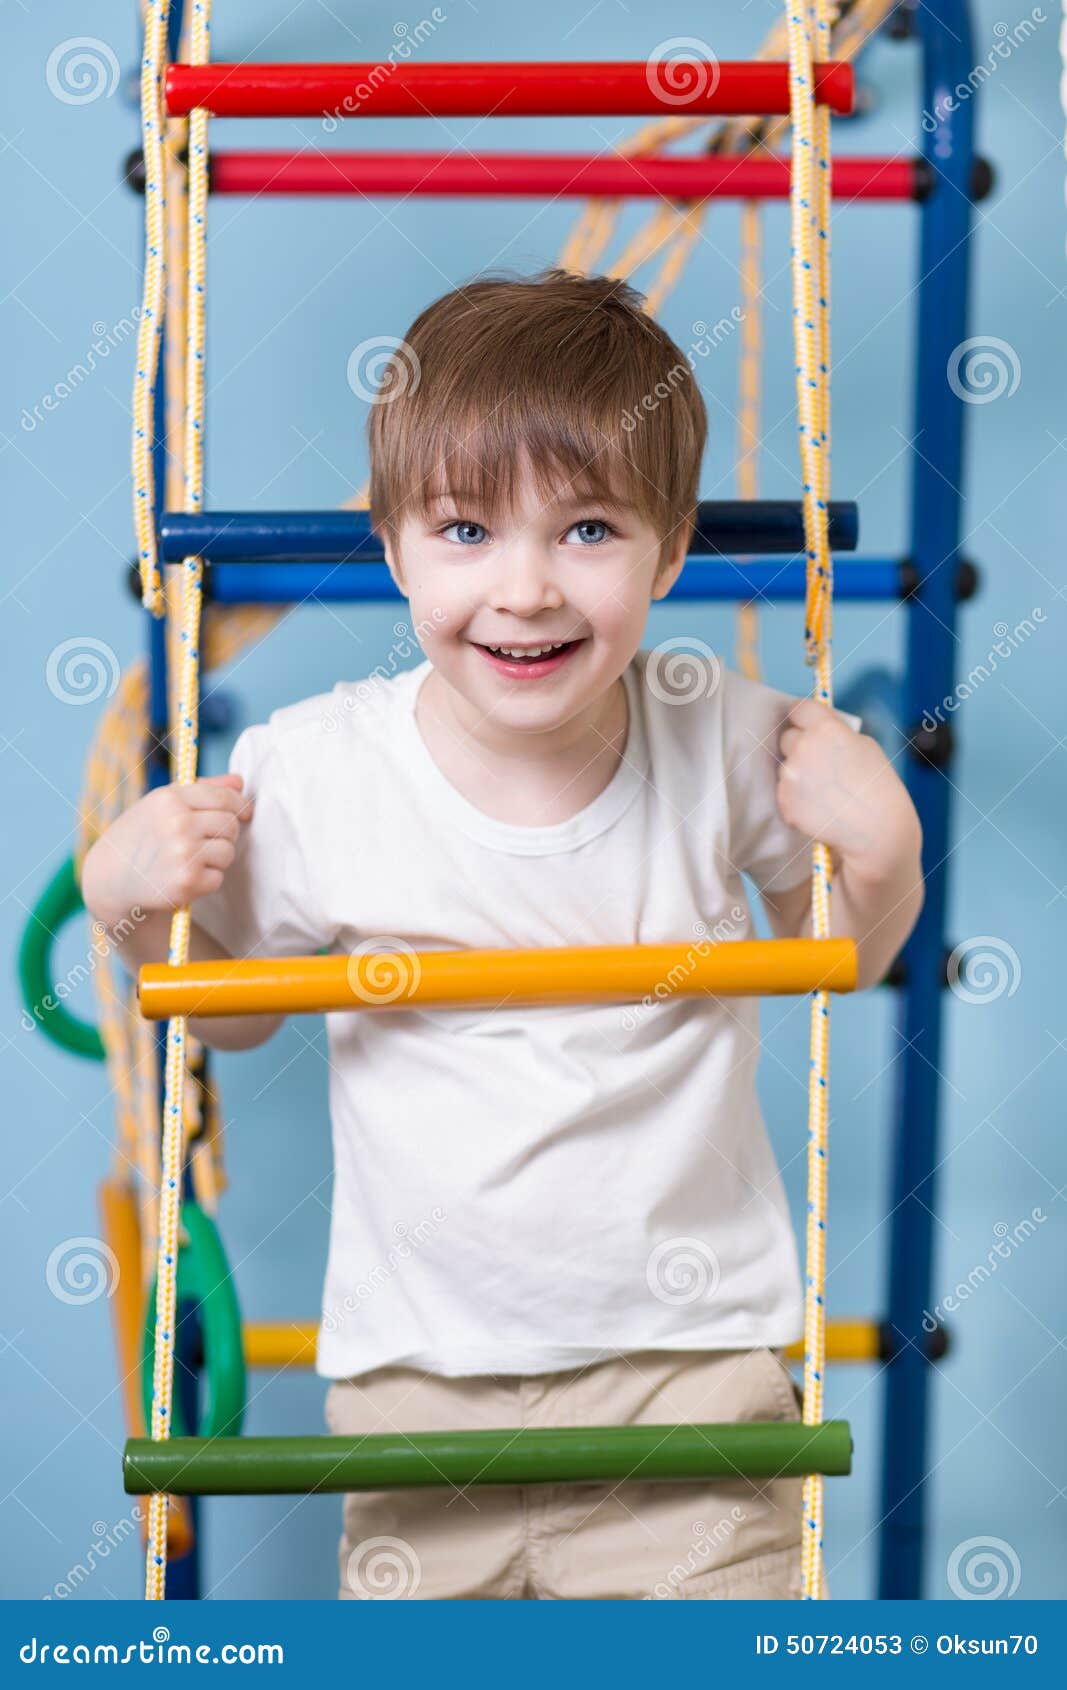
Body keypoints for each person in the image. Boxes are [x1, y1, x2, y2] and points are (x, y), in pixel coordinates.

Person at [83, 269, 924, 1600]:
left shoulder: (720, 730)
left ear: (673, 544)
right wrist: (130, 903)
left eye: (588, 529)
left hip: (689, 1365)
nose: (523, 589)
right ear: (394, 540)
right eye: (467, 529)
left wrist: (885, 849)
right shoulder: (316, 767)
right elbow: (231, 1014)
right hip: (418, 1376)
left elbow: (846, 952)